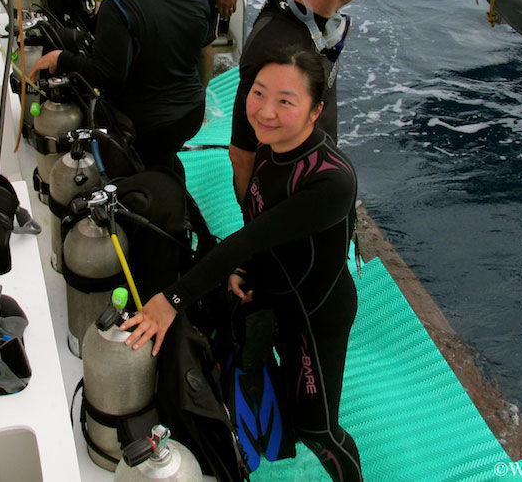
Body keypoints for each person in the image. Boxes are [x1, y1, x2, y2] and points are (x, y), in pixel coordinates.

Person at [122, 47, 363, 482]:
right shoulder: (273, 145)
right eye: (258, 93)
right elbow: (268, 232)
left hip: (314, 317)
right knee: (280, 394)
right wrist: (245, 270)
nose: (266, 112)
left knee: (319, 428)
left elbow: (250, 235)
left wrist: (171, 300)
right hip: (275, 295)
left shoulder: (331, 180)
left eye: (286, 101)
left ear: (316, 111)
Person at [28, 0, 211, 174]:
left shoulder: (119, 4)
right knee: (163, 155)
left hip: (148, 125)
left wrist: (61, 58)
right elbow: (205, 55)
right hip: (191, 114)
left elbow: (107, 75)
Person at [229, 0, 374, 203]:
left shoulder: (301, 17)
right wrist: (255, 221)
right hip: (288, 191)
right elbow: (241, 152)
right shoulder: (278, 54)